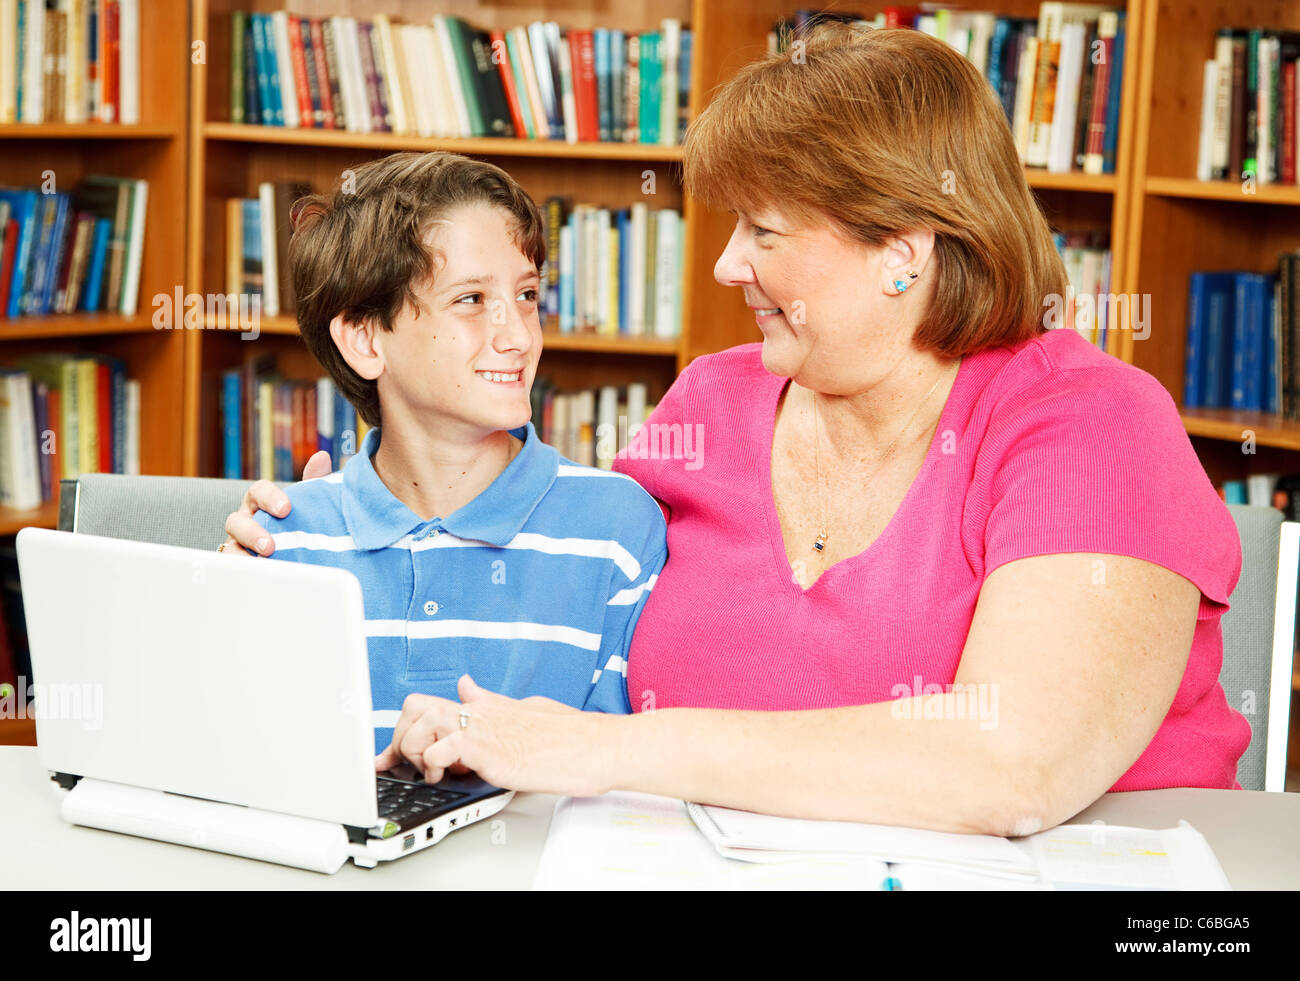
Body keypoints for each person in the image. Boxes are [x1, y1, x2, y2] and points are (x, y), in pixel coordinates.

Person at [225, 26, 1249, 835]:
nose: (725, 265)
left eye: (763, 230)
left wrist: (599, 749)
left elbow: (1014, 765)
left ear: (902, 249)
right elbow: (549, 536)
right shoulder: (710, 407)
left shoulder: (1086, 424)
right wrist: (330, 522)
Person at [224, 151, 665, 754]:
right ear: (364, 339)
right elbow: (243, 763)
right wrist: (214, 606)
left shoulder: (617, 528)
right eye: (472, 300)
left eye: (528, 294)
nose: (518, 336)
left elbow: (627, 776)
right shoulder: (282, 542)